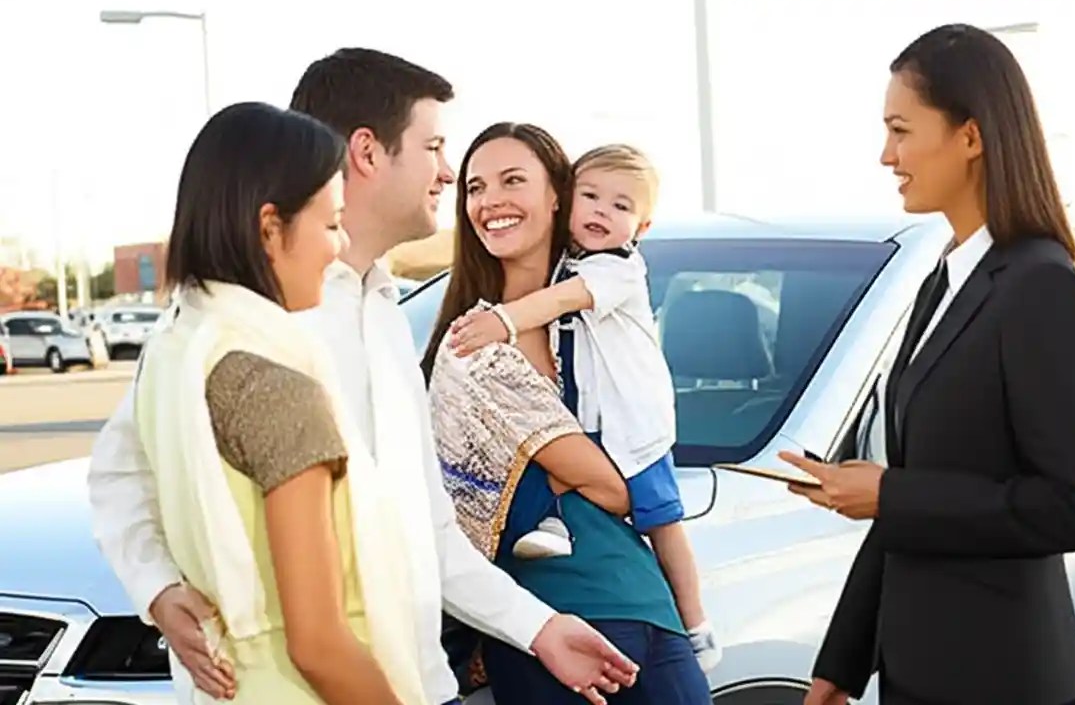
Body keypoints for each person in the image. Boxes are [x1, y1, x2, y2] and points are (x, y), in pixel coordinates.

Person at [88, 49, 637, 705]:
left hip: (412, 684)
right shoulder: (239, 329)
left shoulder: (384, 314)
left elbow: (426, 532)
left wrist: (541, 629)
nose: (446, 172)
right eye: (433, 146)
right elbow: (121, 471)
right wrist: (156, 588)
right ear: (369, 152)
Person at [779, 24, 1075, 705]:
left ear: (971, 136)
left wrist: (889, 494)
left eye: (901, 129)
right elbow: (909, 496)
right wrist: (840, 665)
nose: (886, 155)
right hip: (919, 677)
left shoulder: (1038, 284)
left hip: (1003, 682)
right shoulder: (945, 279)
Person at [132, 99, 435, 703]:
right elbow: (319, 644)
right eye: (329, 223)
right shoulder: (275, 386)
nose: (339, 244)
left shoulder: (175, 352)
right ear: (270, 228)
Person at [424, 122, 713, 704]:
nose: (490, 201)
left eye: (512, 180)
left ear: (558, 193)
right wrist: (584, 471)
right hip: (549, 628)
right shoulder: (471, 349)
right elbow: (613, 486)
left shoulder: (597, 313)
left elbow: (622, 480)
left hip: (651, 611)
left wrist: (568, 466)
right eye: (475, 188)